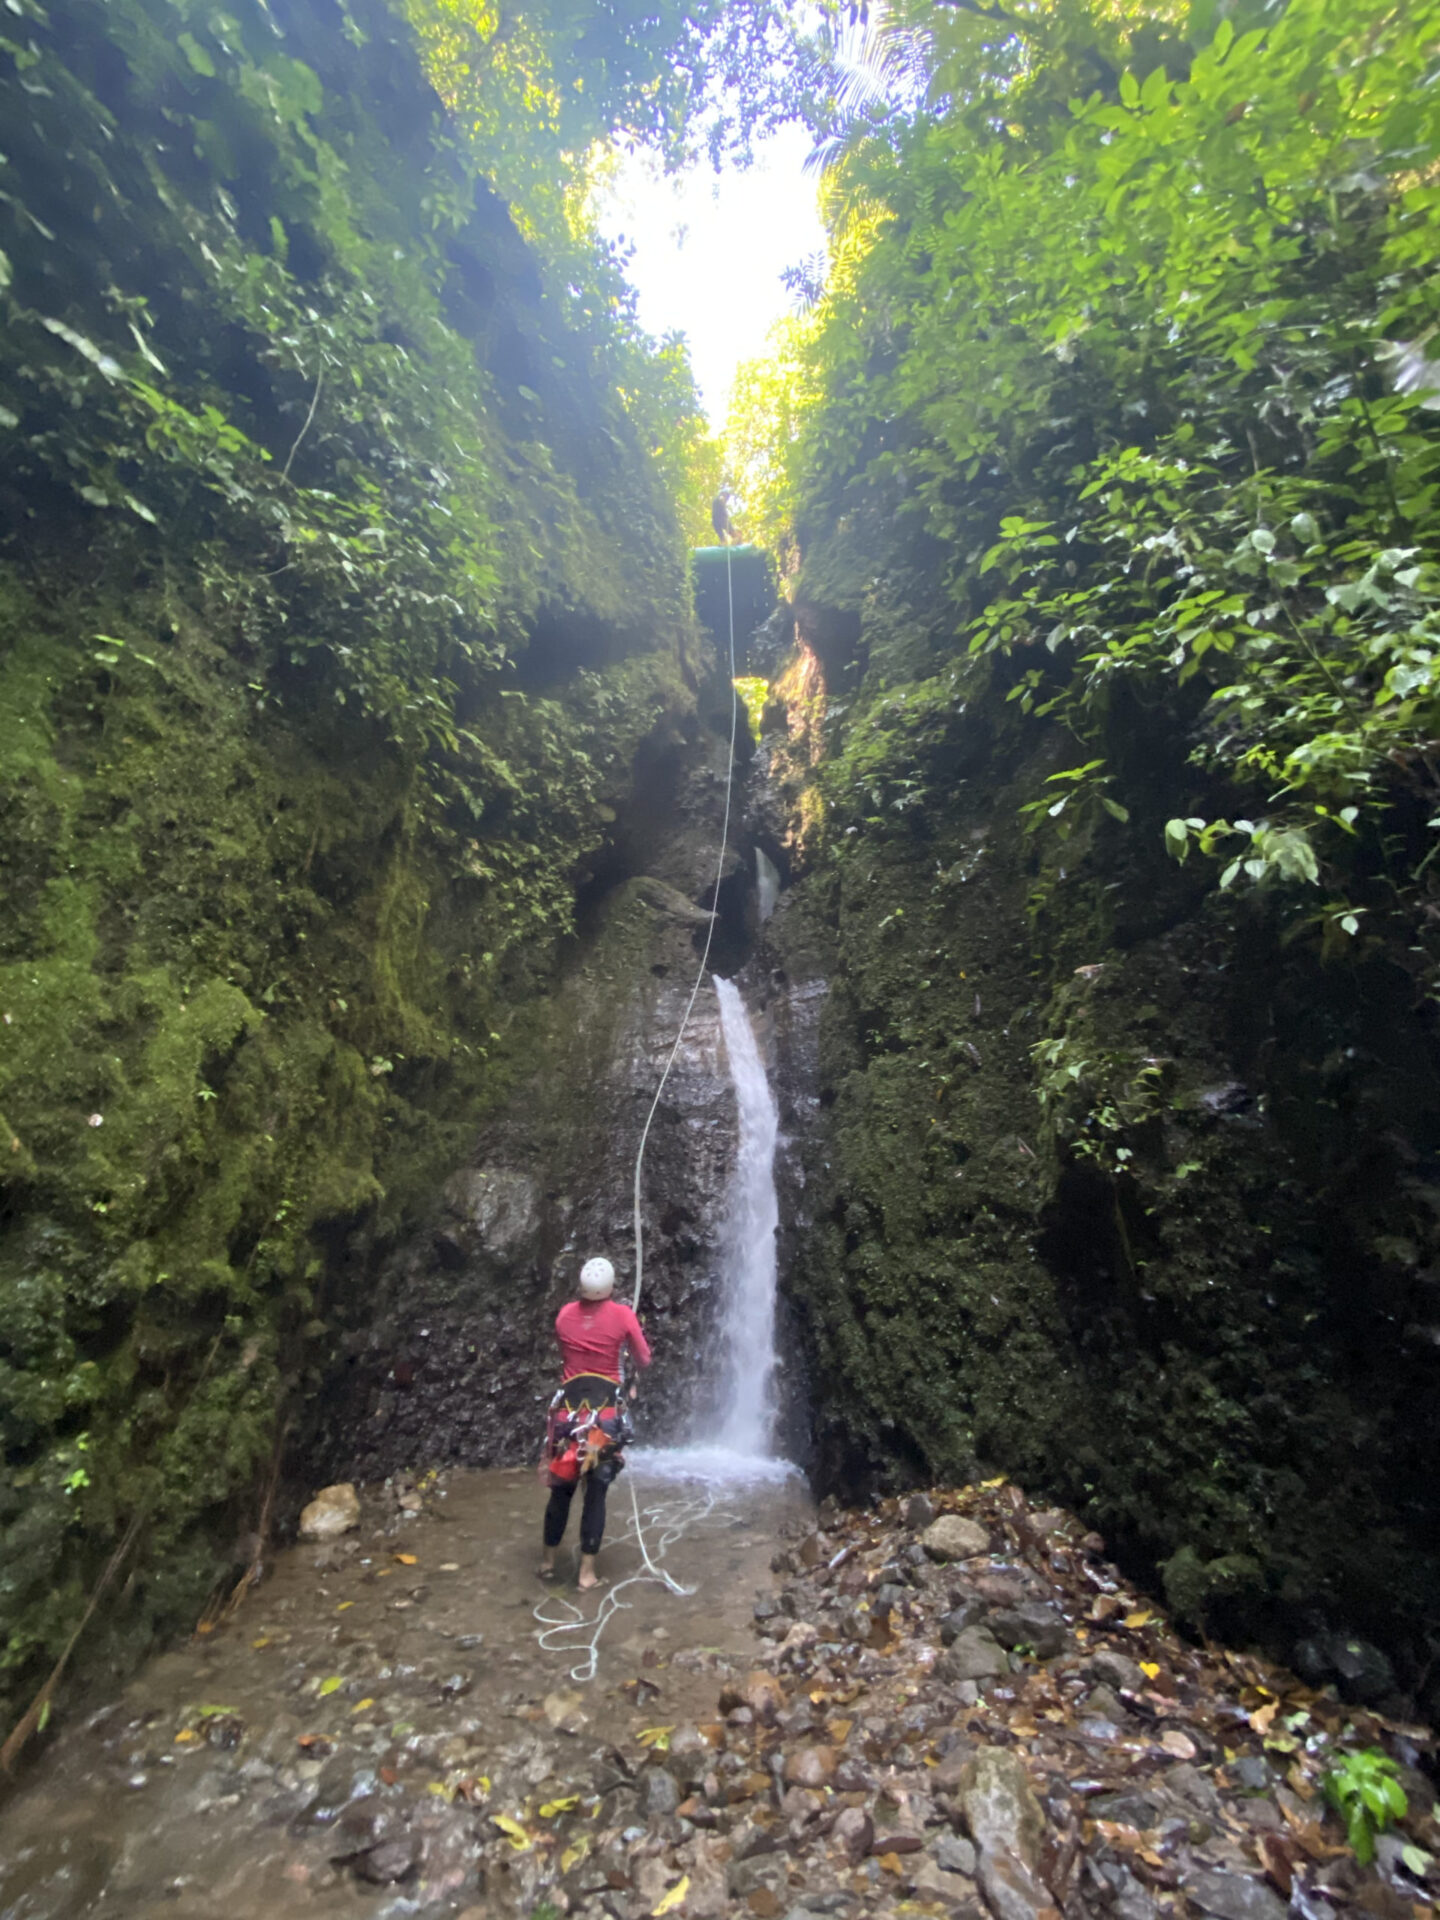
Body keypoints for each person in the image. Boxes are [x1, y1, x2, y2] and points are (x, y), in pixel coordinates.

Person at [538, 1255, 651, 1589]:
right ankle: (586, 1574)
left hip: (567, 1417)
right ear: (611, 1286)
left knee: (561, 1490)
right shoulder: (623, 1315)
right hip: (603, 1420)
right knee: (596, 1491)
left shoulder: (564, 1316)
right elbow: (644, 1358)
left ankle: (547, 1563)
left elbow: (568, 1352)